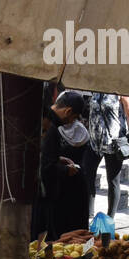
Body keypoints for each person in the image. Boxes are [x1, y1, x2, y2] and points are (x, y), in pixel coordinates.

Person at [38, 93, 90, 240]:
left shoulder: (50, 122)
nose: (72, 121)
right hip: (47, 197)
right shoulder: (51, 126)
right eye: (74, 117)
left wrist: (58, 159)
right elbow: (46, 168)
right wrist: (66, 170)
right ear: (68, 112)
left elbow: (45, 157)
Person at [84, 93, 129, 219]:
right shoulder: (96, 88)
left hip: (113, 142)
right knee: (87, 174)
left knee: (113, 180)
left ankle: (110, 218)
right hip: (95, 141)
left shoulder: (122, 90)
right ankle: (88, 215)